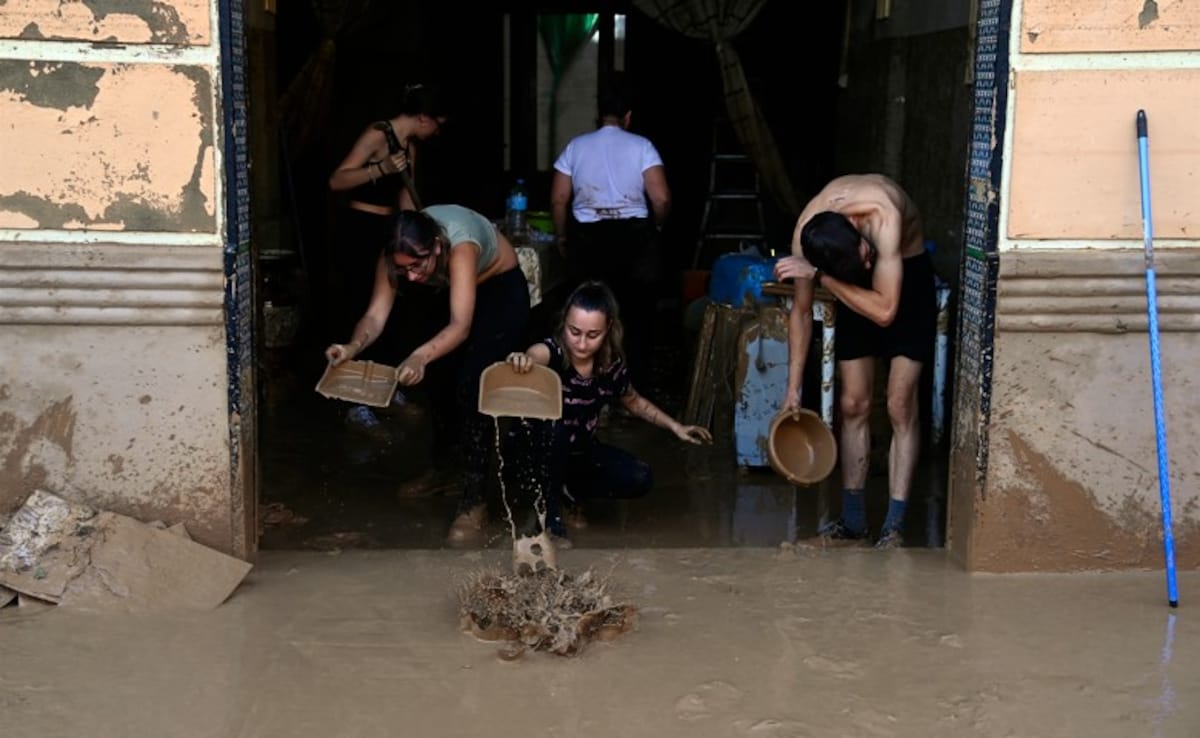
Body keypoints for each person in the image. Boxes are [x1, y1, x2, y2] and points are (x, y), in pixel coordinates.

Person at [325, 204, 530, 545]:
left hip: (498, 290)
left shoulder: (461, 247)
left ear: (436, 245)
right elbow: (375, 317)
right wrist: (351, 347)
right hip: (448, 289)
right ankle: (443, 469)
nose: (412, 278)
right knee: (440, 380)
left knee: (473, 385)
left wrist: (420, 356)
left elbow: (460, 327)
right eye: (403, 270)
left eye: (418, 266)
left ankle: (474, 501)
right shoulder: (399, 255)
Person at [772, 174, 936, 550]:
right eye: (860, 262)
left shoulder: (882, 216)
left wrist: (825, 278)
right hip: (844, 282)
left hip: (904, 282)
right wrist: (793, 387)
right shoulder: (806, 237)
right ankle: (853, 524)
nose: (866, 260)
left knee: (898, 403)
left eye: (864, 253)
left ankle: (893, 526)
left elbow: (885, 312)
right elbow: (800, 312)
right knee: (852, 403)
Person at [505, 281, 711, 546]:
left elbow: (633, 401)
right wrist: (524, 360)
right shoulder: (553, 353)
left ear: (608, 329)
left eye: (592, 335)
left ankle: (568, 493)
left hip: (578, 452)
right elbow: (535, 354)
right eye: (574, 331)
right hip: (535, 454)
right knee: (554, 433)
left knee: (639, 478)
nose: (581, 343)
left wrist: (676, 427)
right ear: (564, 323)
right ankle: (549, 519)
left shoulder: (609, 365)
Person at [549, 73, 670, 394]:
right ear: (628, 116)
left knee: (588, 322)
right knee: (637, 320)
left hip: (588, 244)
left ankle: (587, 393)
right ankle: (636, 393)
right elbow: (661, 198)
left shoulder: (576, 147)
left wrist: (562, 237)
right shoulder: (642, 146)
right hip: (634, 241)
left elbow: (559, 199)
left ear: (598, 114)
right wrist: (655, 227)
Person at [327, 83, 448, 370]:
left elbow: (406, 196)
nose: (436, 132)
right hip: (359, 227)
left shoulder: (410, 148)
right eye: (437, 125)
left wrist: (423, 231)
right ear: (423, 118)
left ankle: (386, 380)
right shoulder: (377, 135)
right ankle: (351, 386)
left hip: (391, 229)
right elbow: (337, 180)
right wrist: (380, 169)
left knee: (394, 306)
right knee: (359, 302)